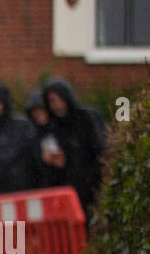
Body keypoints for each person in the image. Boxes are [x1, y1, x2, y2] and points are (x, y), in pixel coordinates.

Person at [41, 78, 106, 218]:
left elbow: (99, 148)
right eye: (52, 101)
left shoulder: (86, 117)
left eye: (60, 99)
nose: (57, 105)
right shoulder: (51, 128)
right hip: (70, 190)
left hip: (93, 184)